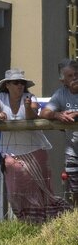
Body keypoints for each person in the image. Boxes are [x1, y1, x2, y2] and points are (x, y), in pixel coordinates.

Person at [0, 68, 59, 221]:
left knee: (42, 191)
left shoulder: (30, 97)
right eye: (16, 82)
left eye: (22, 83)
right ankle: (26, 223)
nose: (20, 85)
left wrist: (28, 106)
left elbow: (32, 116)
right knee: (15, 193)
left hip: (35, 150)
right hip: (11, 153)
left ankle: (45, 224)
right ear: (7, 85)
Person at [47, 60, 78, 207]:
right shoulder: (61, 93)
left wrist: (76, 114)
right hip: (72, 151)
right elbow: (43, 112)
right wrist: (57, 115)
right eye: (70, 75)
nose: (75, 78)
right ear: (63, 80)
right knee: (74, 190)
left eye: (76, 74)